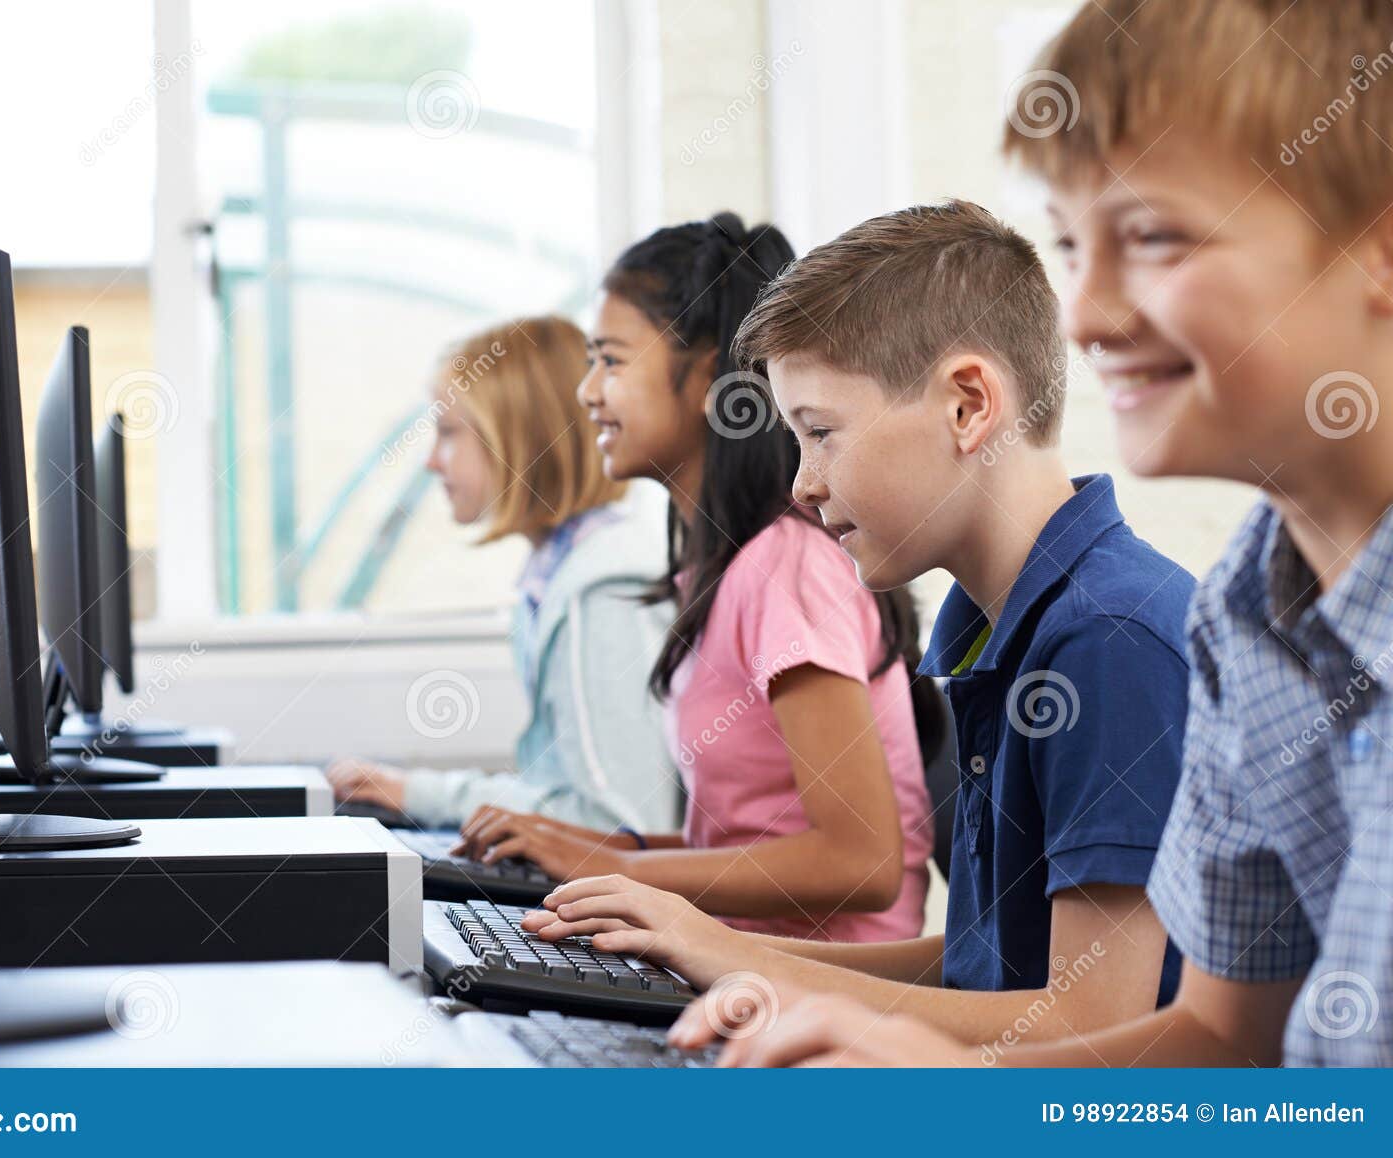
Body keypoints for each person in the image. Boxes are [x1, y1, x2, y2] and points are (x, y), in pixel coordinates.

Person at [715, 0, 1393, 1068]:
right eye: (1074, 246)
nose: (1083, 315)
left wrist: (936, 1078)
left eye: (1154, 238)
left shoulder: (1118, 632)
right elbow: (1218, 1046)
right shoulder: (1243, 616)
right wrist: (921, 1073)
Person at [538, 200, 1195, 1047]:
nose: (803, 483)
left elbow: (1093, 1027)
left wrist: (743, 963)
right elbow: (982, 968)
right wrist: (719, 952)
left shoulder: (1106, 637)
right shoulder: (999, 625)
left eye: (821, 433)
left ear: (968, 407)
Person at [457, 213, 940, 943]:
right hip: (740, 957)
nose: (587, 392)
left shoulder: (786, 566)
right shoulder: (722, 568)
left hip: (815, 983)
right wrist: (596, 848)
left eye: (611, 361)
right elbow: (745, 844)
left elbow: (862, 861)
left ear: (710, 375)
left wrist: (615, 866)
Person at [328, 316, 679, 833]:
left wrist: (424, 794)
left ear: (520, 439)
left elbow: (618, 824)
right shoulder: (561, 571)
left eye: (449, 433)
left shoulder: (601, 592)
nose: (431, 461)